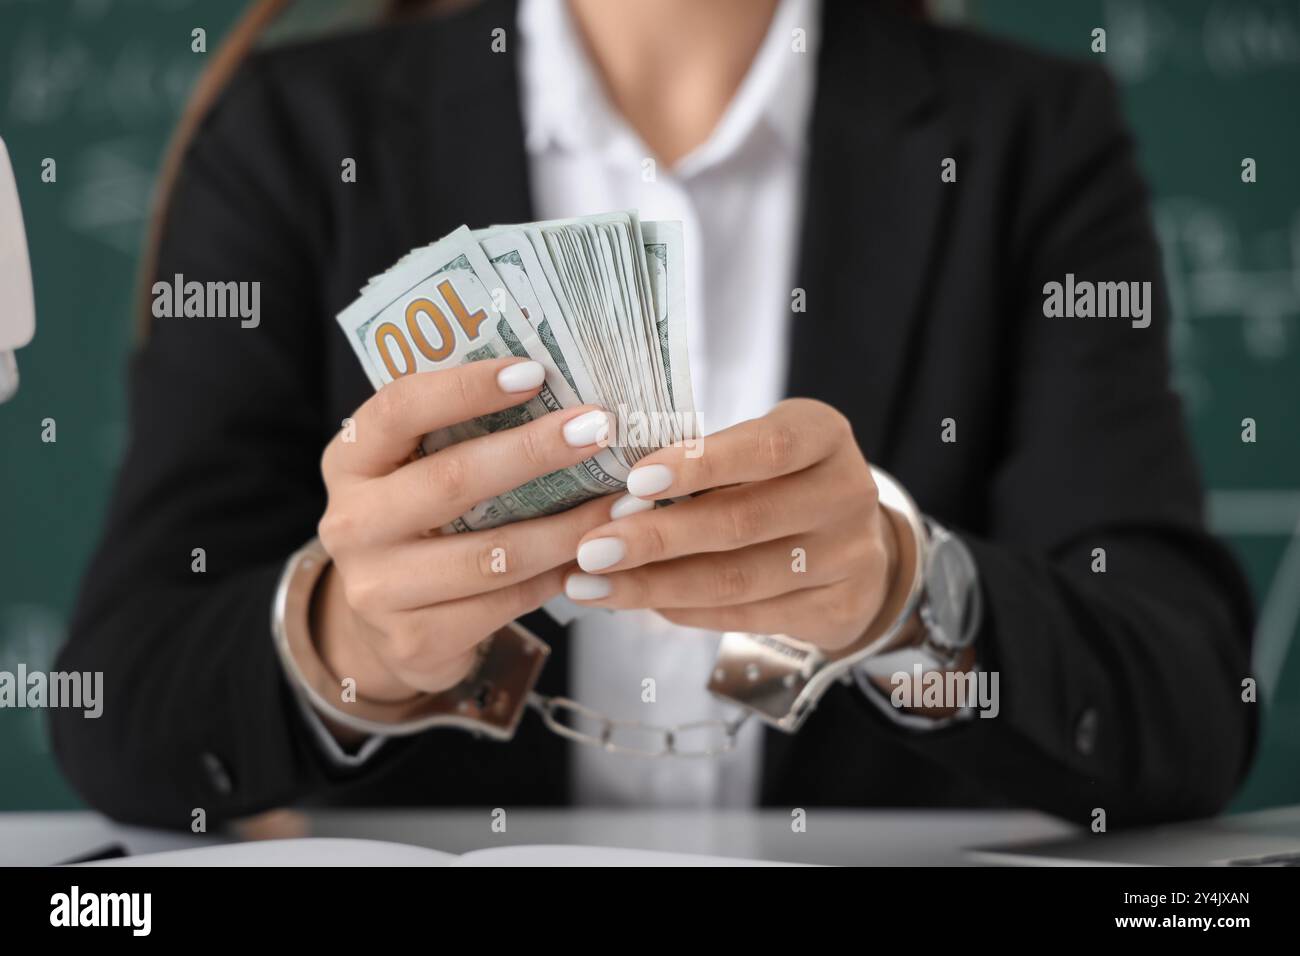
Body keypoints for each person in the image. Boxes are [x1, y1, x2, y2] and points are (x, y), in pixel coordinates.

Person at [53, 0, 1255, 827]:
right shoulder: (294, 136)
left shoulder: (1029, 139)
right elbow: (122, 705)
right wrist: (348, 643)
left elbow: (1187, 706)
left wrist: (906, 592)